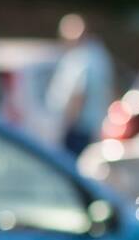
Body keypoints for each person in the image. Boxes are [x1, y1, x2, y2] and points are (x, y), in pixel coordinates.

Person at [46, 13, 115, 156]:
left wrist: (66, 126)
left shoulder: (81, 58)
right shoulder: (99, 55)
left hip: (77, 129)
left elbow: (78, 96)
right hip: (91, 126)